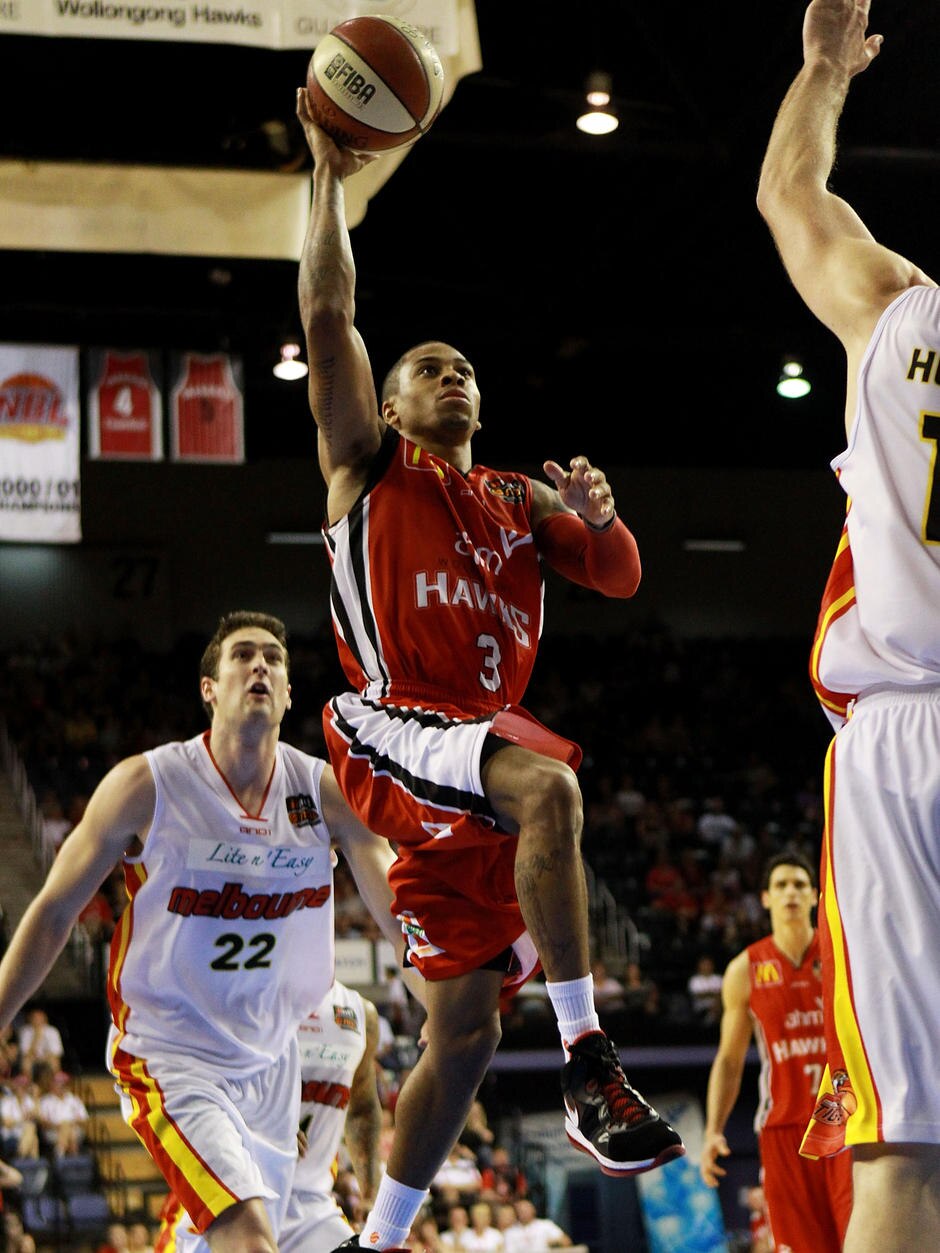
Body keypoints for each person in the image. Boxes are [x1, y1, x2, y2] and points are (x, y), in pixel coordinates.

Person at [295, 89, 684, 1253]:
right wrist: (327, 174)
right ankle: (587, 1058)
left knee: (459, 1031)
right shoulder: (368, 468)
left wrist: (603, 519)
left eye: (463, 364)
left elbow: (616, 578)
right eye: (426, 365)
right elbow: (325, 312)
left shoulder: (518, 496)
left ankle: (379, 1241)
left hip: (469, 747)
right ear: (396, 403)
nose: (450, 373)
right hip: (394, 724)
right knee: (550, 789)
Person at [0, 611, 404, 1253]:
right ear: (209, 687)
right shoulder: (148, 785)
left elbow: (397, 910)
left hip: (274, 1061)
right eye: (243, 656)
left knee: (235, 1237)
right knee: (248, 1237)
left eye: (274, 657)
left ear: (291, 692)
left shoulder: (325, 794)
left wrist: (444, 1000)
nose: (261, 667)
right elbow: (53, 913)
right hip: (172, 1053)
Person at [756, 2, 940, 1249]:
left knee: (901, 1153)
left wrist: (823, 71)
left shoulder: (897, 309)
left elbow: (787, 192)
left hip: (901, 743)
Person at [700, 852, 852, 1251]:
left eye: (800, 884)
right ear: (765, 898)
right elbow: (730, 1060)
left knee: (860, 1238)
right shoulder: (744, 969)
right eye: (781, 885)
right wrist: (714, 1129)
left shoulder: (842, 954)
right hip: (783, 1130)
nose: (791, 893)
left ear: (815, 896)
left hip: (845, 1122)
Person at [280, 981, 383, 1252]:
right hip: (235, 1196)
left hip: (311, 1206)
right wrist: (265, 1121)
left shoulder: (360, 1012)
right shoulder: (253, 993)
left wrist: (371, 1195)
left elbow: (362, 1110)